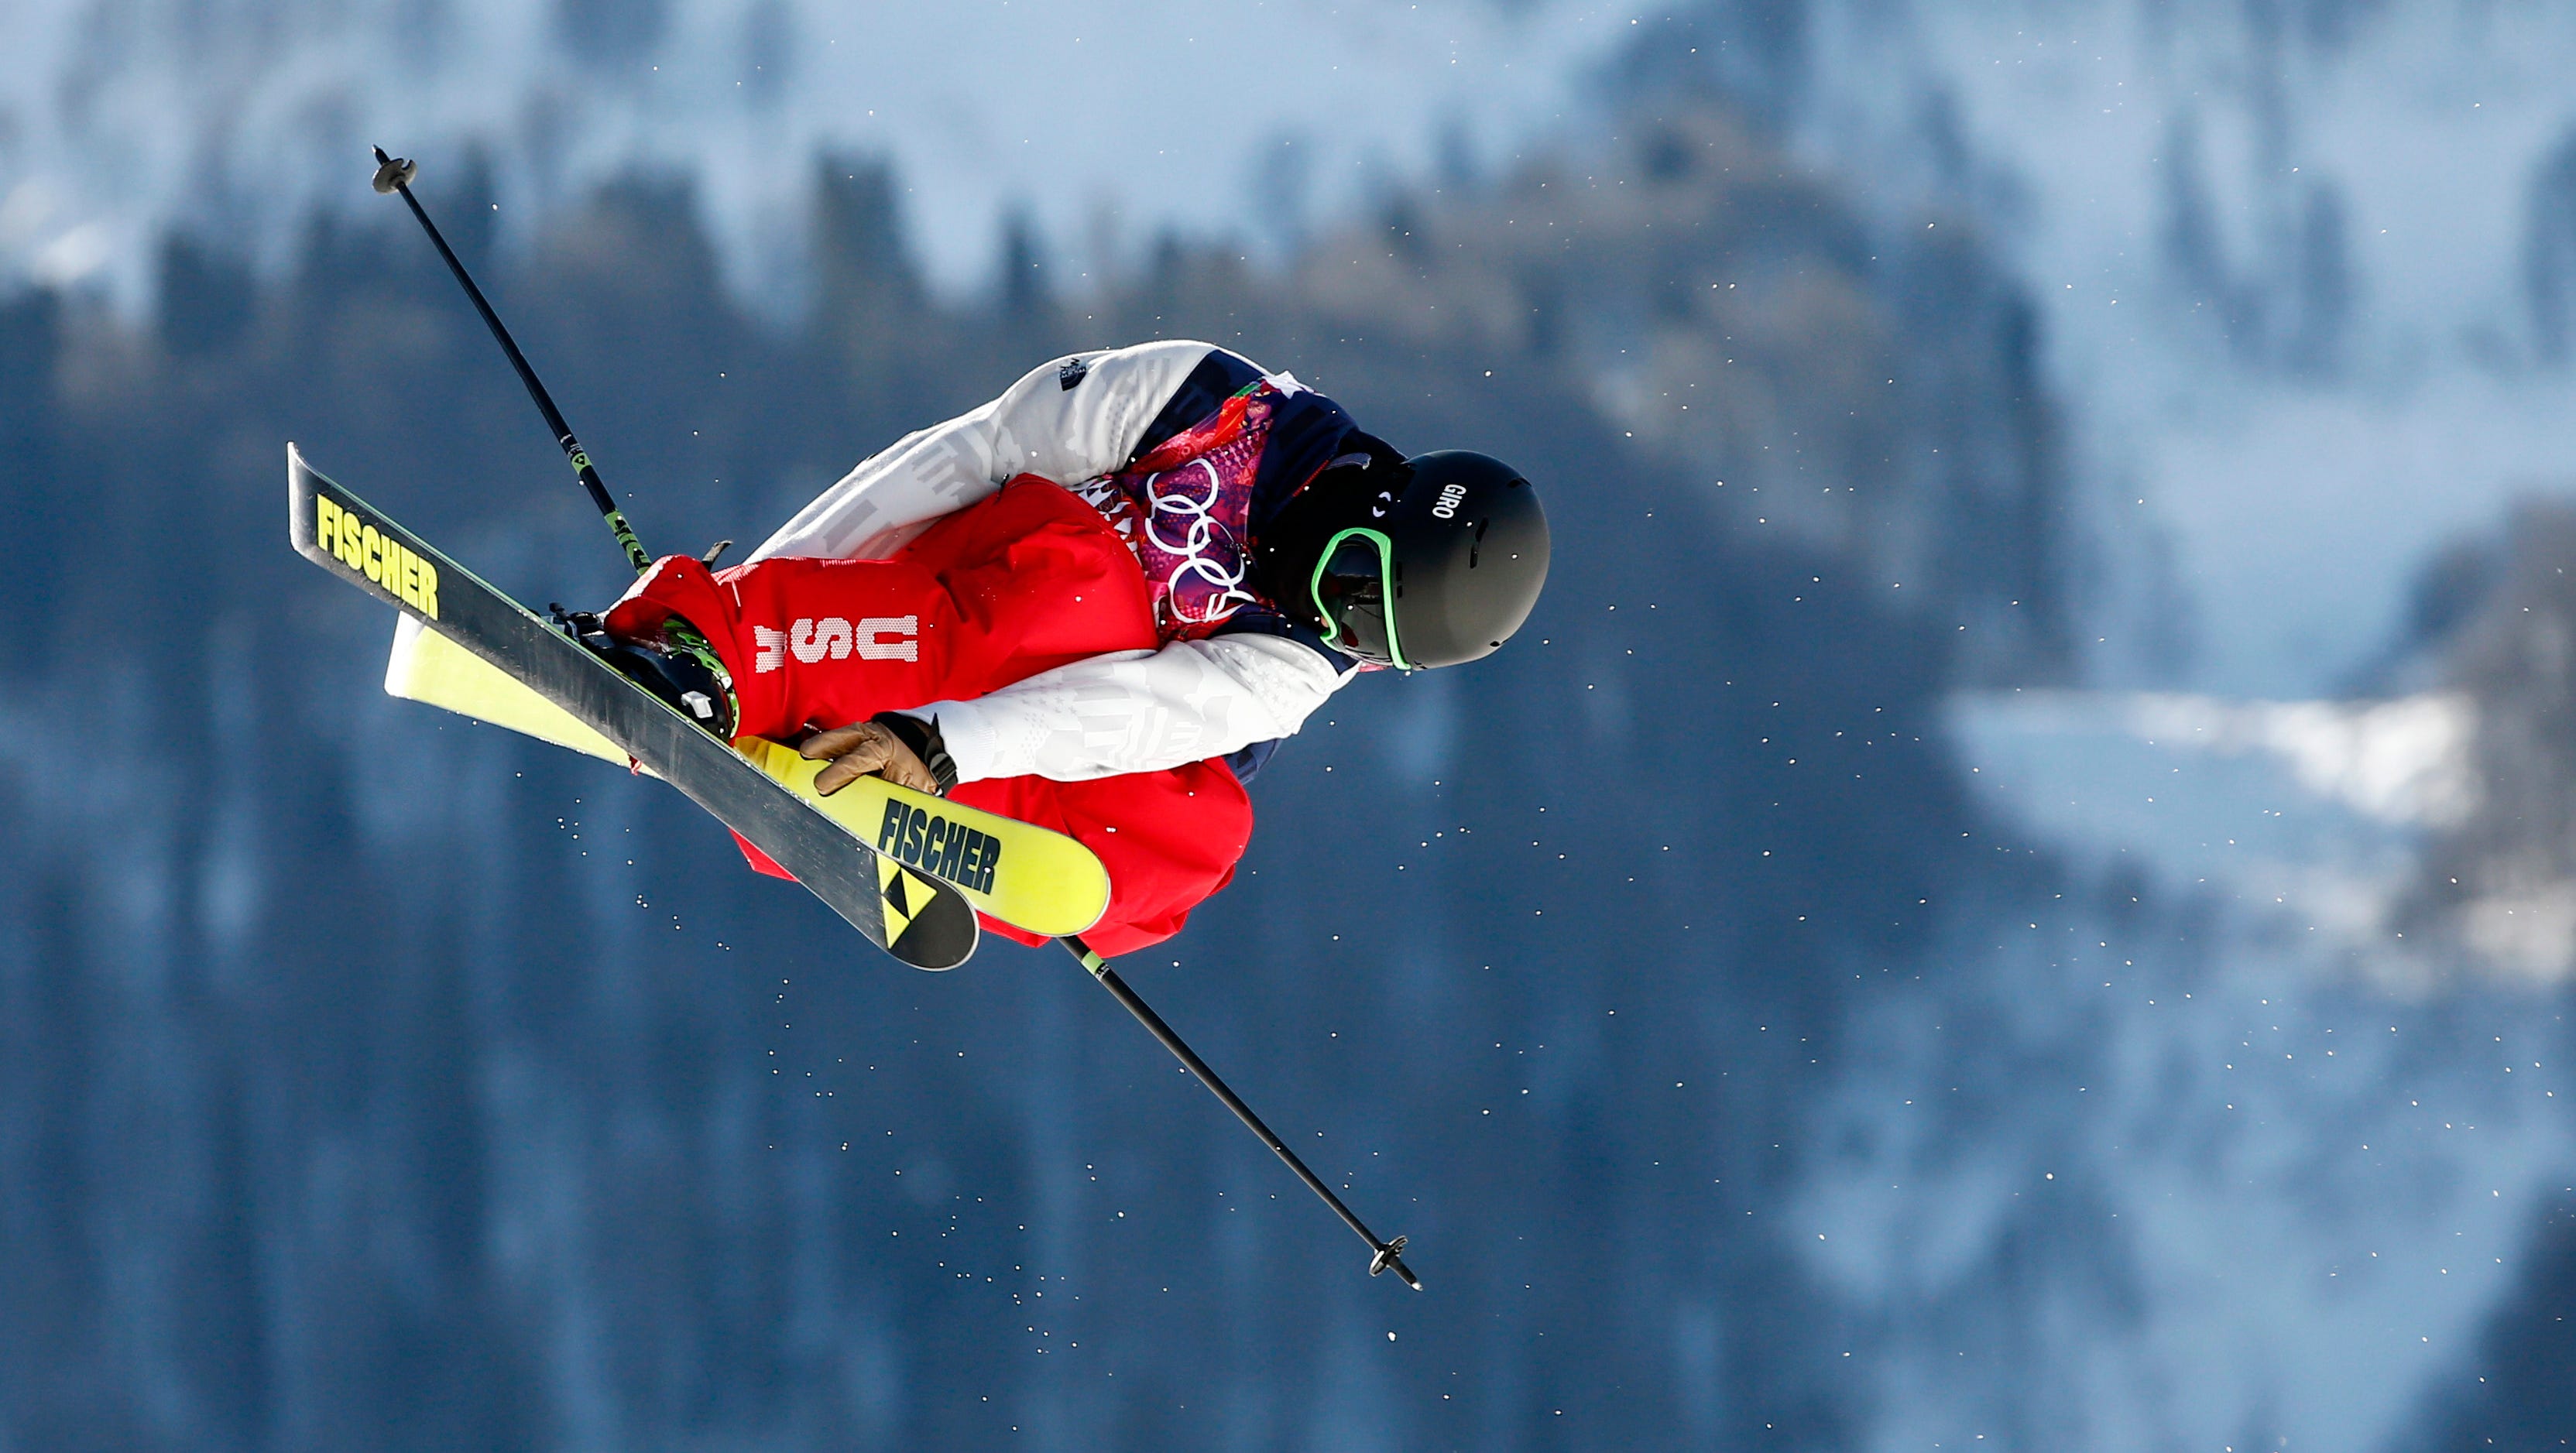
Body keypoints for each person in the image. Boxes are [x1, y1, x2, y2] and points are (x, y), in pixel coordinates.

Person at [595, 341, 1549, 955]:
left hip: (1009, 724)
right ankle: (752, 677)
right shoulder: (1204, 407)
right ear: (1361, 502)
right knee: (1086, 599)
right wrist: (730, 624)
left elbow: (1127, 718)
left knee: (1204, 837)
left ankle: (888, 803)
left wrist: (941, 746)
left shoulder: (1304, 662)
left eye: (1371, 643)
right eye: (1352, 583)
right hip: (982, 591)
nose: (1334, 623)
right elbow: (952, 461)